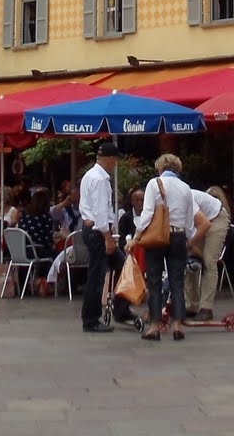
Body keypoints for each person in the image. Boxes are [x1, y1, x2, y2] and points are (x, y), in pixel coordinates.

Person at [131, 154, 208, 341]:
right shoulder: (186, 188)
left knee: (155, 282)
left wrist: (137, 236)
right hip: (179, 236)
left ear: (160, 168)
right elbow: (190, 220)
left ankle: (155, 326)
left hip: (157, 238)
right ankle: (177, 325)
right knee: (177, 282)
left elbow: (148, 213)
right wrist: (188, 240)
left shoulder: (154, 183)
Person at [78, 141, 137, 333]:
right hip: (99, 232)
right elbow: (101, 211)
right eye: (115, 160)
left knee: (121, 265)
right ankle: (91, 319)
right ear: (110, 159)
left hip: (91, 228)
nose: (116, 164)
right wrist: (107, 237)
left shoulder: (89, 175)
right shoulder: (101, 179)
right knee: (97, 275)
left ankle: (120, 308)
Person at [186, 185, 229, 320]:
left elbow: (205, 225)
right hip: (201, 223)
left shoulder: (186, 199)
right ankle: (191, 305)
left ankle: (206, 308)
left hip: (216, 219)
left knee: (209, 261)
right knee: (190, 262)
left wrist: (191, 246)